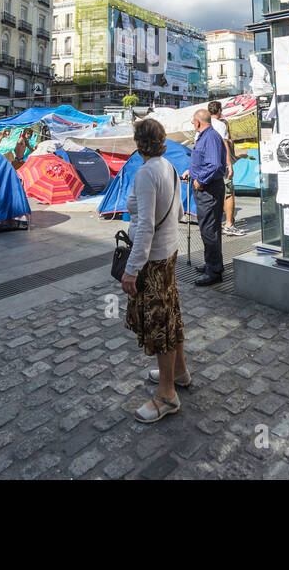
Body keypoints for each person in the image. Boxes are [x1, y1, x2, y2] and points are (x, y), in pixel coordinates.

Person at [121, 118, 188, 422]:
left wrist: (132, 269)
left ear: (138, 143)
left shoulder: (146, 173)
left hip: (153, 259)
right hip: (170, 251)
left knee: (159, 322)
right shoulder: (170, 168)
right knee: (171, 311)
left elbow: (146, 225)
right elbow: (179, 210)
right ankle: (179, 372)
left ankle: (166, 394)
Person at [187, 108, 226, 286]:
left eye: (193, 122)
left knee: (209, 230)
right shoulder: (206, 136)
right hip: (206, 187)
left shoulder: (209, 137)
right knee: (209, 228)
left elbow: (214, 164)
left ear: (197, 122)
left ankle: (214, 271)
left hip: (208, 189)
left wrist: (200, 179)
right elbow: (205, 160)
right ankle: (213, 263)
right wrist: (192, 171)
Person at [209, 100, 243, 237]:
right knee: (228, 194)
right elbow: (224, 146)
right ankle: (229, 224)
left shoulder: (204, 124)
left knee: (213, 194)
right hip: (221, 164)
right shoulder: (221, 125)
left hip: (209, 165)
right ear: (219, 111)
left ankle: (214, 224)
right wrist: (230, 165)